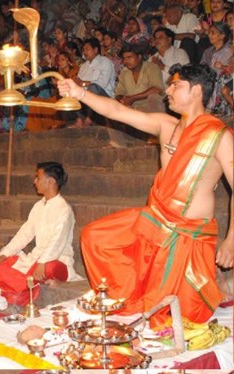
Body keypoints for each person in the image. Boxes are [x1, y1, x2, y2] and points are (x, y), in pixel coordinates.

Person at [58, 64, 233, 324]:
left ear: (196, 91)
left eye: (176, 85)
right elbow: (118, 111)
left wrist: (231, 240)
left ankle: (205, 289)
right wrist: (80, 93)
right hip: (156, 221)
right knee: (95, 237)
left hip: (189, 235)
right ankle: (126, 295)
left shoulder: (219, 135)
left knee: (180, 316)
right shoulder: (166, 125)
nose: (168, 90)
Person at [0, 162, 81, 306]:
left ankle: (20, 286)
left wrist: (42, 262)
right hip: (35, 261)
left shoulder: (64, 210)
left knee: (48, 268)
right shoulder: (38, 206)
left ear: (50, 181)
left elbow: (57, 242)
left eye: (38, 178)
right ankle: (25, 284)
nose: (35, 181)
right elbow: (24, 234)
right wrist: (4, 254)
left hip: (55, 261)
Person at [114, 44, 165, 113]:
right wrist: (122, 100)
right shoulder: (124, 72)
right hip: (131, 108)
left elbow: (157, 90)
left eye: (129, 57)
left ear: (139, 57)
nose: (125, 61)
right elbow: (119, 93)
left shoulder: (152, 68)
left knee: (154, 98)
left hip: (149, 107)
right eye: (124, 58)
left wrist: (133, 98)